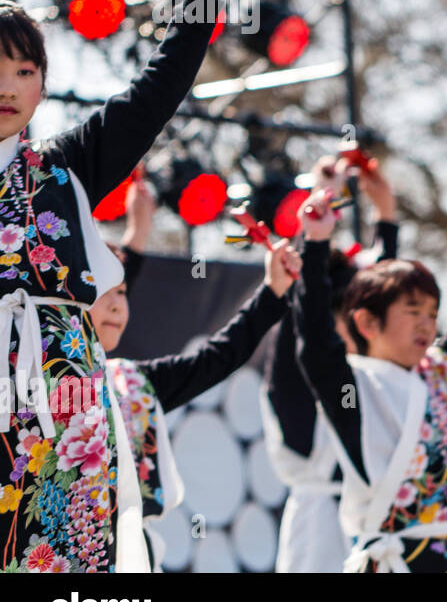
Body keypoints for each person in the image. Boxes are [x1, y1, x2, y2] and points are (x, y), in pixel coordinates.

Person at [0, 0, 229, 573]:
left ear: (42, 86)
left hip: (68, 400)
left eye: (25, 70)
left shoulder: (65, 170)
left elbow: (156, 90)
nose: (8, 84)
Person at [293, 189, 447, 571]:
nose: (427, 323)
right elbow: (315, 340)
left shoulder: (445, 369)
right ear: (367, 322)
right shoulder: (353, 386)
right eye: (413, 311)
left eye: (432, 312)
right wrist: (315, 244)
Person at [91, 223, 299, 571]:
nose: (116, 305)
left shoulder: (134, 384)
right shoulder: (26, 383)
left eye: (123, 292)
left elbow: (217, 358)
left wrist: (273, 290)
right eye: (102, 290)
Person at [260, 154, 400, 572]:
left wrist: (387, 214)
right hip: (321, 542)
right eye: (348, 320)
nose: (360, 330)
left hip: (384, 532)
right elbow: (305, 315)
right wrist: (323, 203)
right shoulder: (299, 390)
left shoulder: (380, 386)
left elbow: (388, 306)